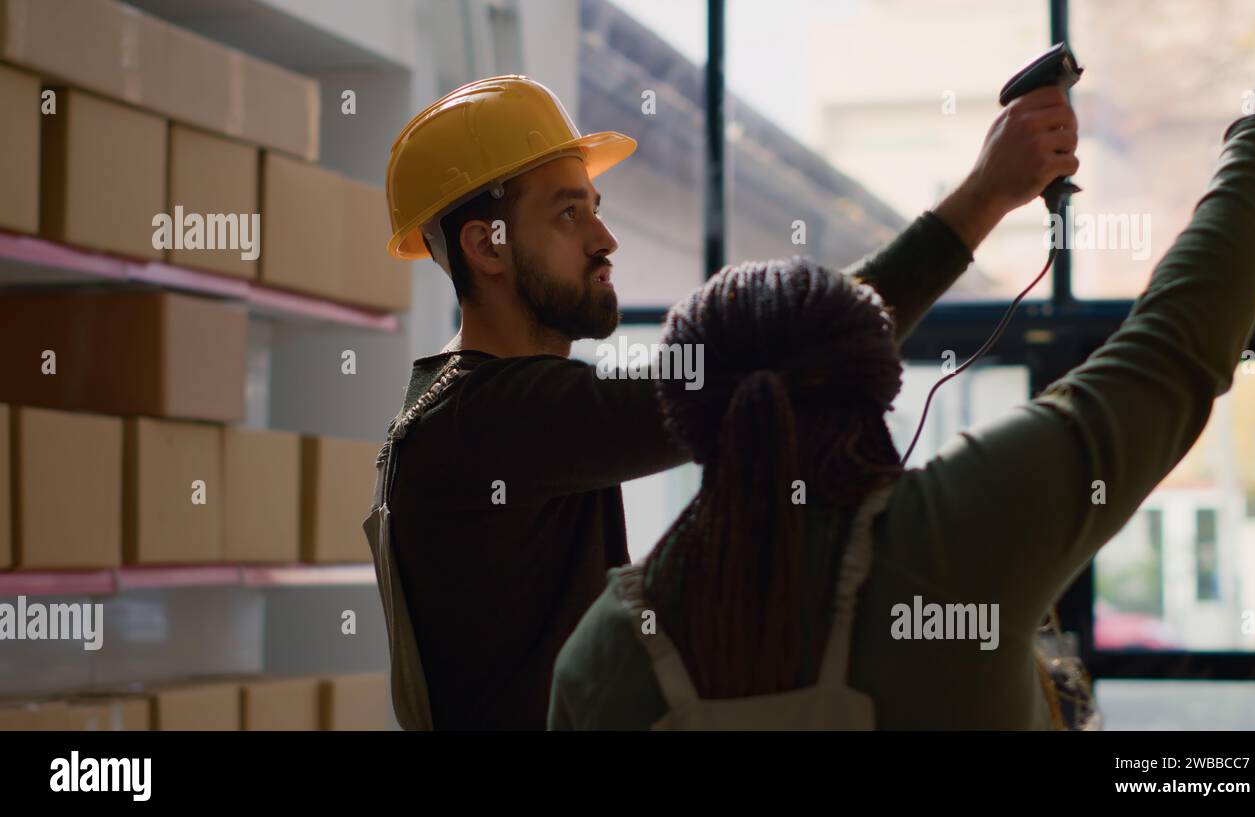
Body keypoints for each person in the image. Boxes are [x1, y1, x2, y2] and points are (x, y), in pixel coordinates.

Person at [547, 34, 1255, 730]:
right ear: (877, 375)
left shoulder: (605, 653)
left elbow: (1175, 349)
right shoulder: (960, 531)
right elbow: (1173, 348)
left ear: (682, 415)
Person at [367, 72, 1079, 729]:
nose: (604, 238)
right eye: (567, 213)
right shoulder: (485, 422)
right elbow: (787, 343)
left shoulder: (471, 413)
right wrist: (985, 194)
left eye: (596, 208)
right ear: (486, 248)